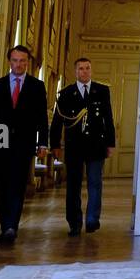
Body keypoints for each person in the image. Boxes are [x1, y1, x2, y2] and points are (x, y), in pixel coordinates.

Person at [0, 46, 48, 244]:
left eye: (23, 61)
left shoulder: (37, 86)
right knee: (2, 185)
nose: (19, 64)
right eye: (15, 60)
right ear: (9, 61)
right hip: (0, 143)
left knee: (17, 185)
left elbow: (42, 117)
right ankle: (5, 226)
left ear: (28, 62)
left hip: (24, 144)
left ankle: (11, 227)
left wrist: (42, 142)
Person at [50, 58, 117, 236]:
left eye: (88, 68)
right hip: (74, 147)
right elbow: (57, 121)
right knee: (73, 185)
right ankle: (74, 223)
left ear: (91, 70)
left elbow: (108, 118)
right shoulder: (65, 93)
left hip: (96, 145)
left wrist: (111, 143)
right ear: (76, 71)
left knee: (95, 183)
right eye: (81, 68)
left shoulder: (101, 91)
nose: (85, 71)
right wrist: (55, 144)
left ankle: (92, 219)